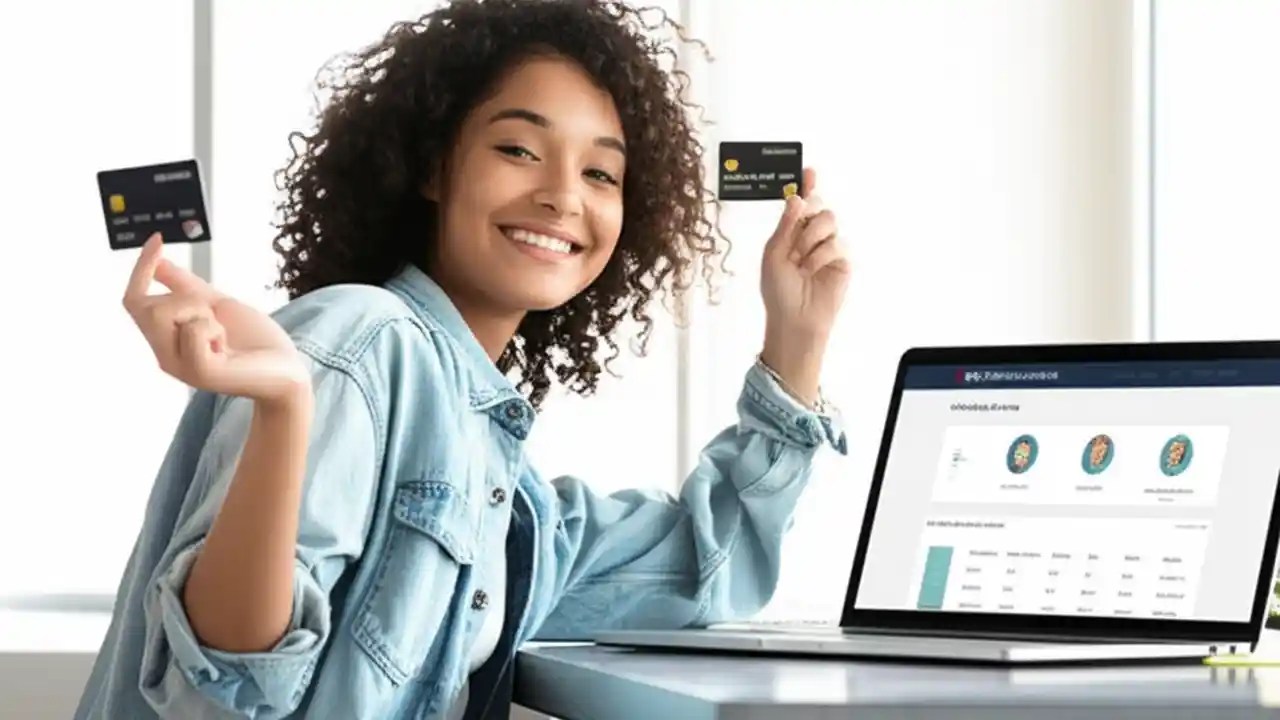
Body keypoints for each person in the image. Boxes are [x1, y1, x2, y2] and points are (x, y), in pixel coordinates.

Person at [75, 1, 849, 718]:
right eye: (518, 148)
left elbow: (704, 567)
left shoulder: (507, 501)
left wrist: (797, 339)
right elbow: (216, 690)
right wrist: (283, 411)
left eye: (600, 173)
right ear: (432, 167)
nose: (561, 196)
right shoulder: (360, 342)